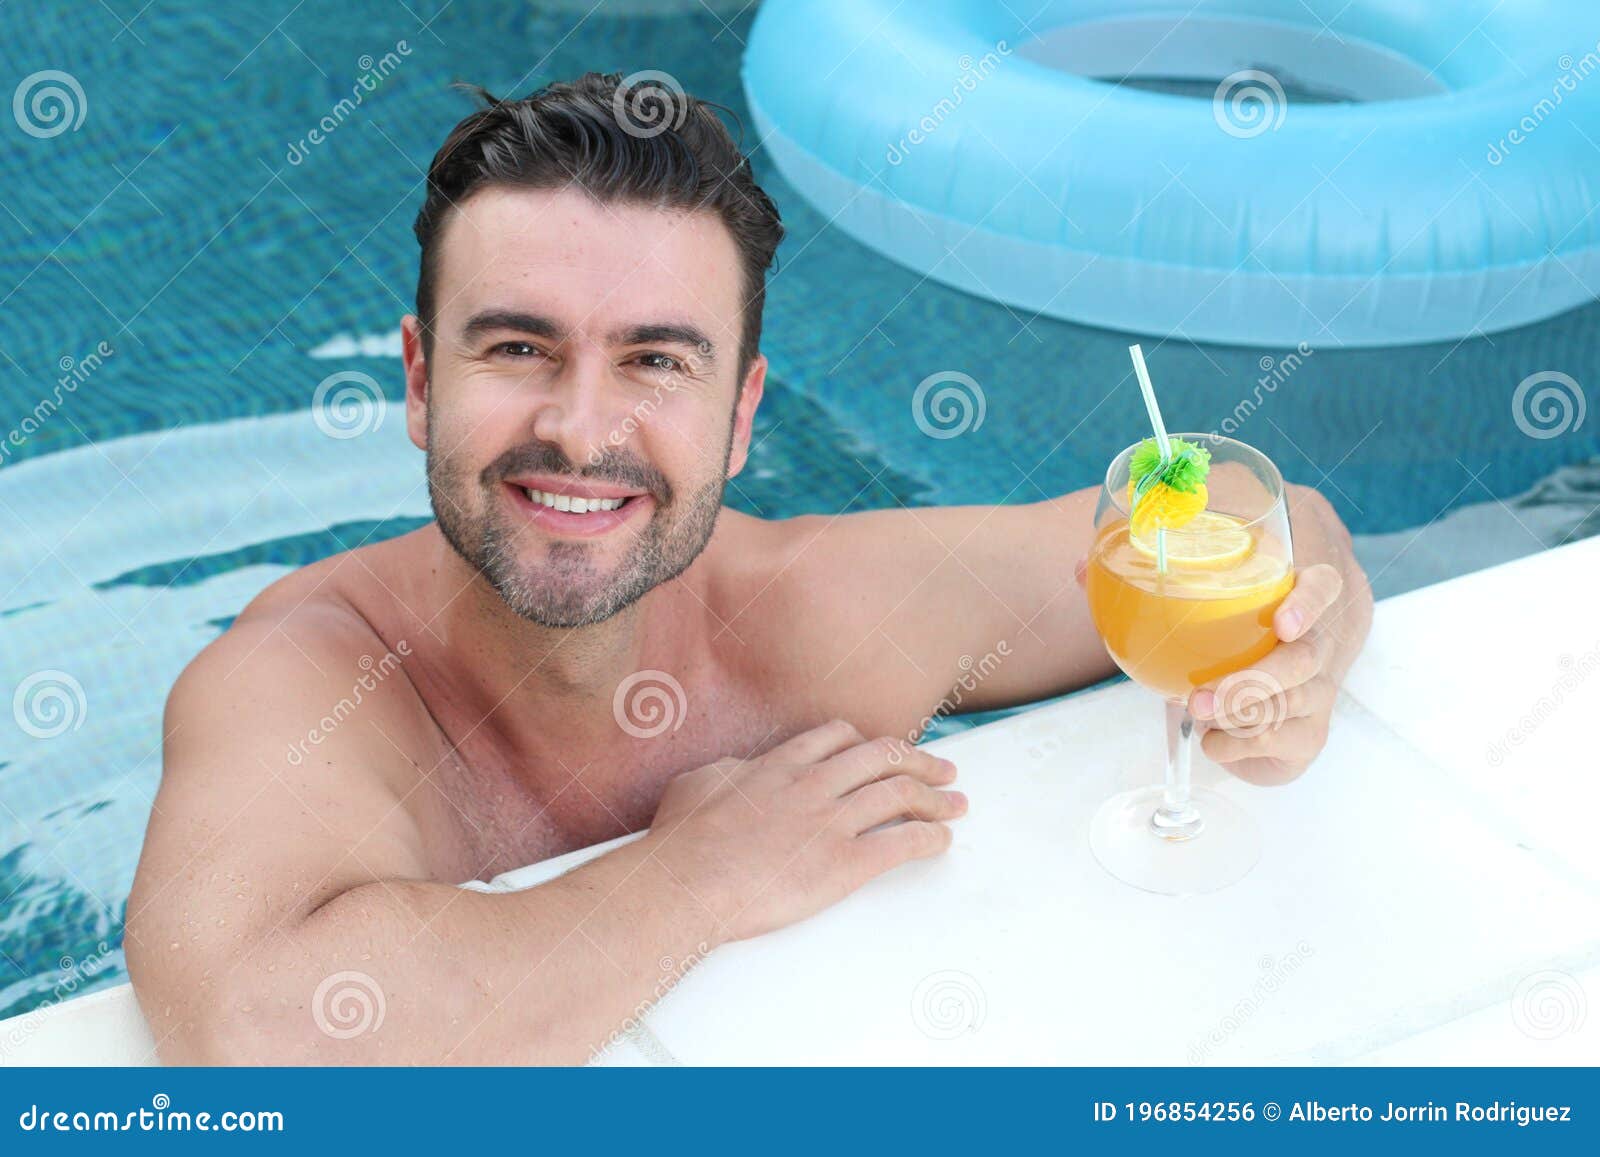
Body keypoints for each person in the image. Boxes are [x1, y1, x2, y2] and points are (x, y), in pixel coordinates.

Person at [126, 73, 1371, 1064]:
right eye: (518, 346)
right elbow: (257, 1037)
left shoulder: (825, 614)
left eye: (657, 362)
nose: (582, 426)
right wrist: (698, 875)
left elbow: (1274, 519)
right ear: (417, 378)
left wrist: (1303, 643)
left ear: (741, 414)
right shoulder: (303, 678)